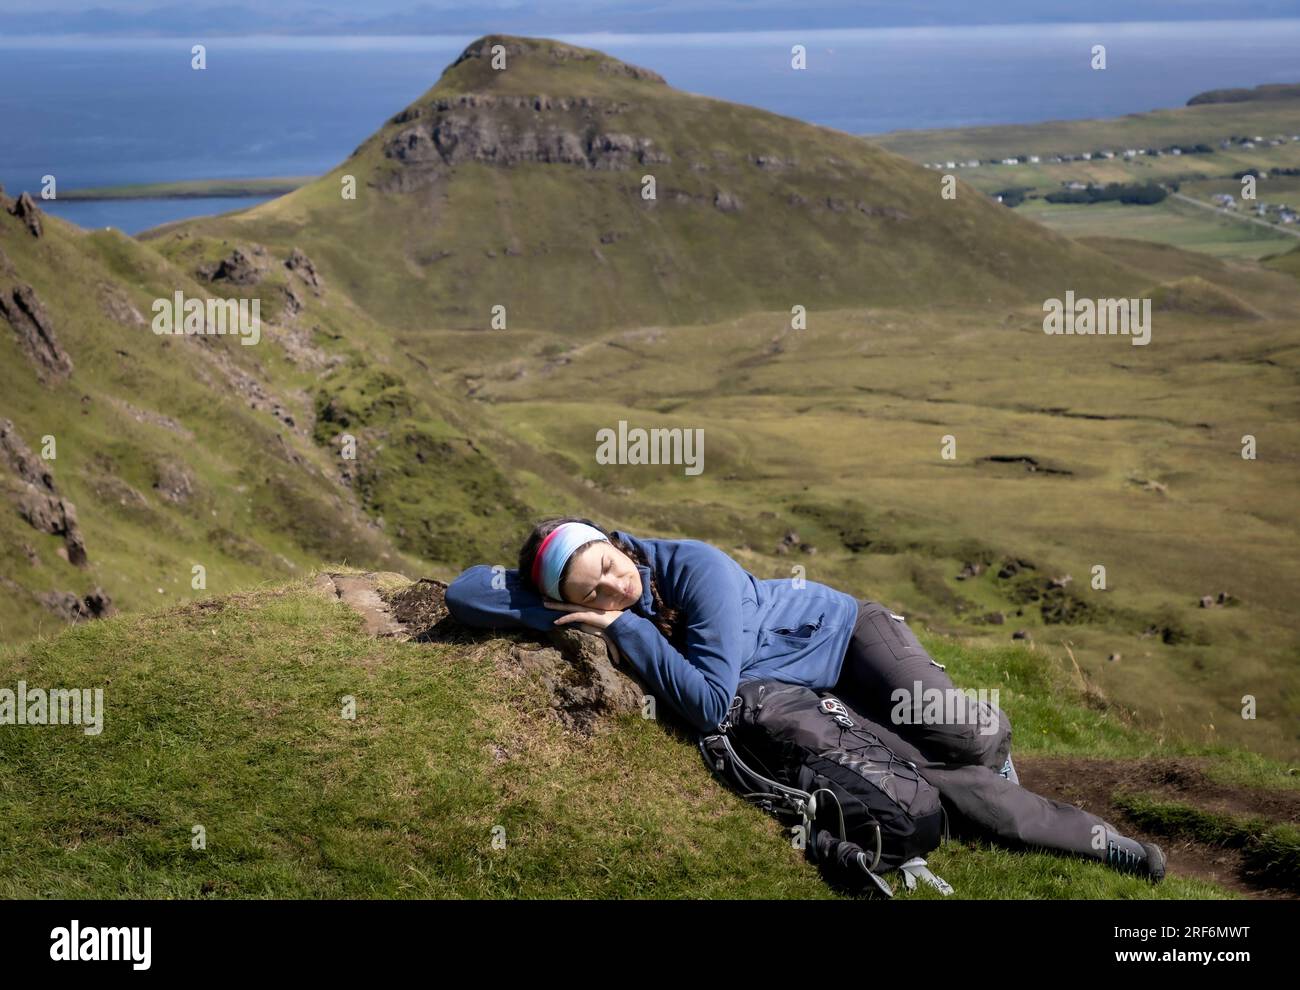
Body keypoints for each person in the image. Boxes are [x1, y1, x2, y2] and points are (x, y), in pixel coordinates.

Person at [444, 516, 1165, 882]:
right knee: (924, 779)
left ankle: (991, 747)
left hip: (847, 636)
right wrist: (559, 606)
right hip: (792, 689)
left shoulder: (699, 570)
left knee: (966, 736)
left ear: (611, 539)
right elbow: (467, 591)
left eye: (607, 566)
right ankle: (1103, 846)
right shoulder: (596, 591)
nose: (612, 588)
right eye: (589, 595)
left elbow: (704, 700)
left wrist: (621, 628)